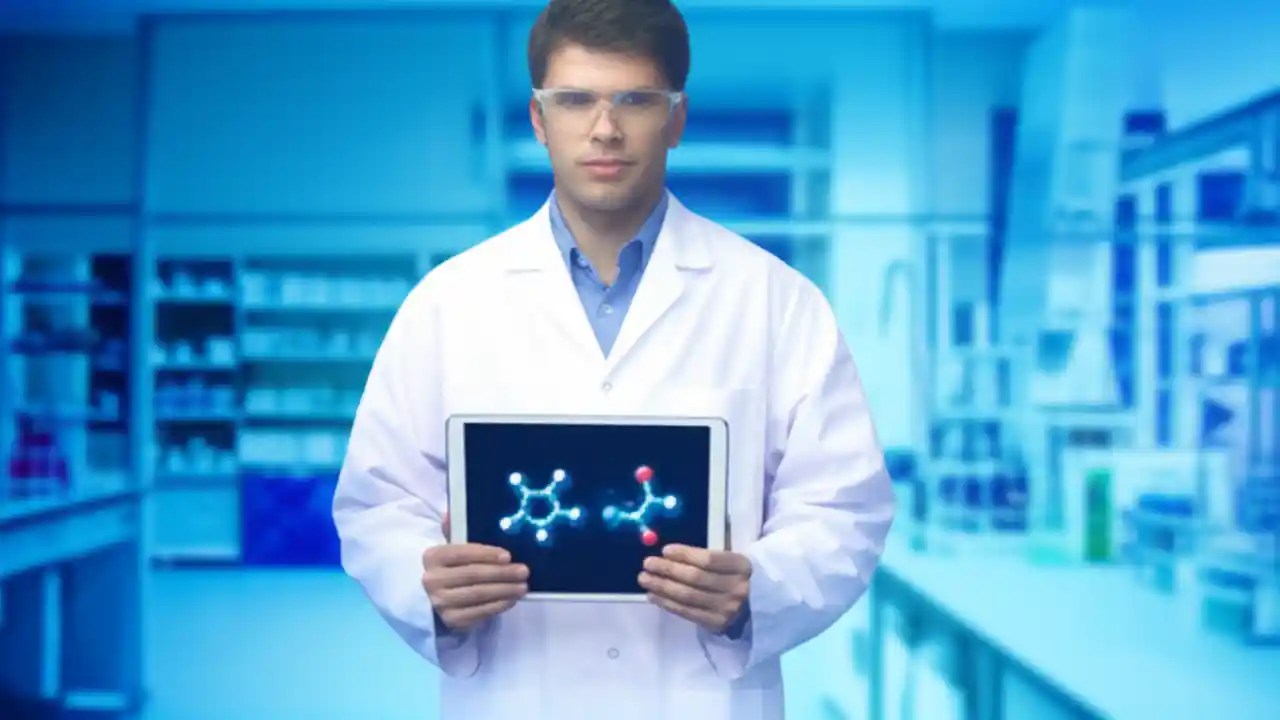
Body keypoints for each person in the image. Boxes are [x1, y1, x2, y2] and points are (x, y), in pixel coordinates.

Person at [332, 0, 895, 717]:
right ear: (539, 119)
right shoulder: (448, 302)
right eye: (575, 100)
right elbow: (378, 501)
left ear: (677, 118)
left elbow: (844, 506)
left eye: (635, 99)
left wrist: (759, 587)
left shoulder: (776, 302)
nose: (605, 128)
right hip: (518, 696)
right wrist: (428, 585)